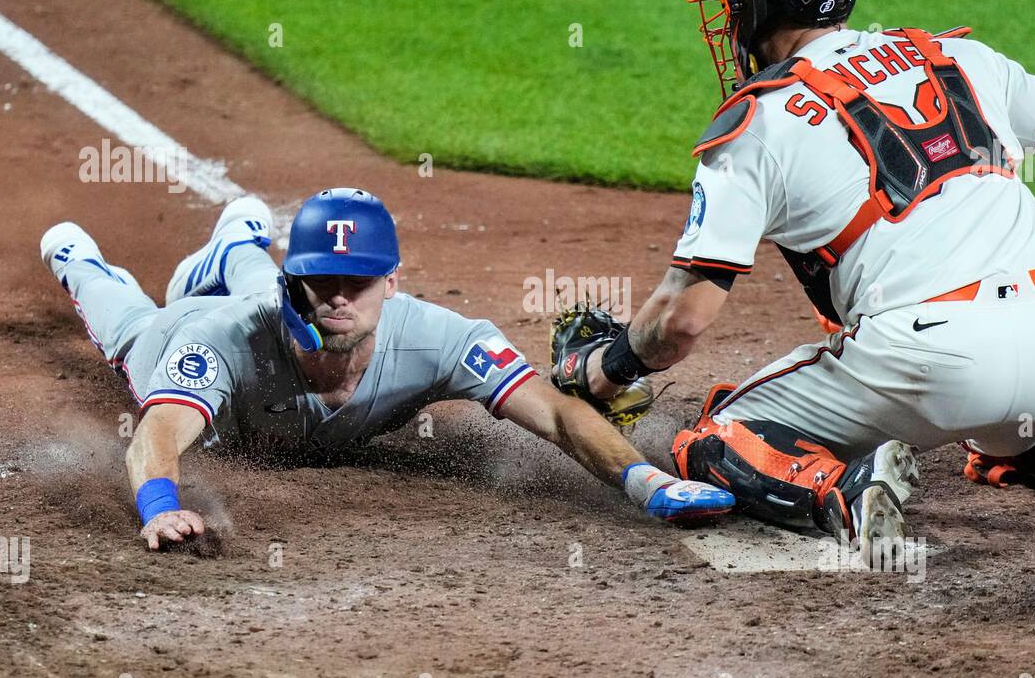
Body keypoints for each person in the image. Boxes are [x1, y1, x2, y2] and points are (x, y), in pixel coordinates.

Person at [555, 0, 1035, 555]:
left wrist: (608, 367)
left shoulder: (753, 125)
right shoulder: (957, 54)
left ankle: (844, 487)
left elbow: (682, 321)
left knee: (717, 434)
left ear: (761, 6)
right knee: (1013, 426)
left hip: (922, 361)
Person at [39, 189, 733, 550]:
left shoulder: (438, 337)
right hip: (186, 327)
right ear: (299, 279)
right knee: (129, 326)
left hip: (270, 299)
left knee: (264, 288)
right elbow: (158, 434)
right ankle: (81, 258)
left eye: (360, 279)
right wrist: (160, 507)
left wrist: (644, 481)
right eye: (323, 279)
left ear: (393, 280)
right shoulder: (215, 344)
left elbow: (552, 409)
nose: (341, 294)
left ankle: (236, 242)